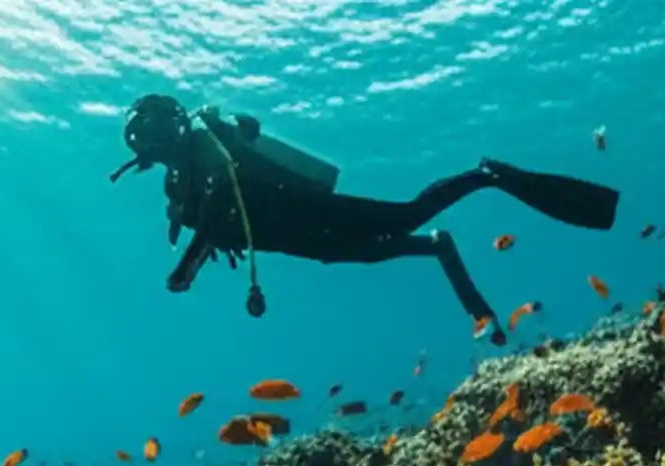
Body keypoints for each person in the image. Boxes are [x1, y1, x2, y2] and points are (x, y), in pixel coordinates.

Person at [110, 94, 621, 344]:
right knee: (383, 248)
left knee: (405, 218)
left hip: (316, 215)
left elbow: (213, 224)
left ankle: (485, 175)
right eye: (142, 142)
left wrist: (184, 272)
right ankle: (450, 262)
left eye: (151, 136)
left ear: (170, 131)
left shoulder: (213, 160)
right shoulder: (183, 185)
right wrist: (185, 269)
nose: (151, 148)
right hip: (314, 244)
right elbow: (209, 233)